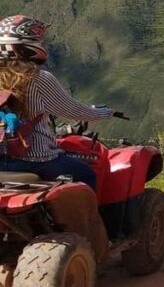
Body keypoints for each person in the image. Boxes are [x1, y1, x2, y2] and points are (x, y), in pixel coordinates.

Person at [0, 15, 116, 189]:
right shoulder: (38, 79)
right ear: (26, 44)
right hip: (36, 159)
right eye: (37, 39)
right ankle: (90, 217)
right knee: (87, 174)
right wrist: (106, 113)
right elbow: (74, 111)